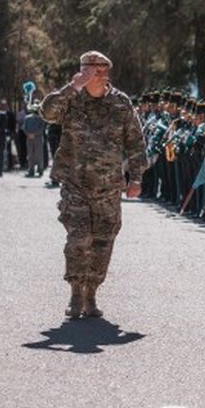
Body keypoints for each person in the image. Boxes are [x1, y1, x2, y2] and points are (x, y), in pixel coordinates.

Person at [40, 51, 147, 319]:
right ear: (82, 72)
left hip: (109, 186)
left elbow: (135, 141)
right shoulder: (71, 98)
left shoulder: (120, 103)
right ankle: (76, 292)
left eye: (102, 71)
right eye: (93, 71)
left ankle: (92, 293)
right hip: (75, 183)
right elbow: (47, 112)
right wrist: (73, 86)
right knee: (79, 238)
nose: (100, 76)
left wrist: (136, 178)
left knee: (102, 241)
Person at [23, 103, 47, 177]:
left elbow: (41, 128)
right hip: (34, 138)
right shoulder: (28, 118)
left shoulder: (40, 118)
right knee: (34, 155)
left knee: (34, 155)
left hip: (35, 138)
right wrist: (30, 134)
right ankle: (35, 170)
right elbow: (24, 127)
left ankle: (35, 170)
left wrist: (31, 134)